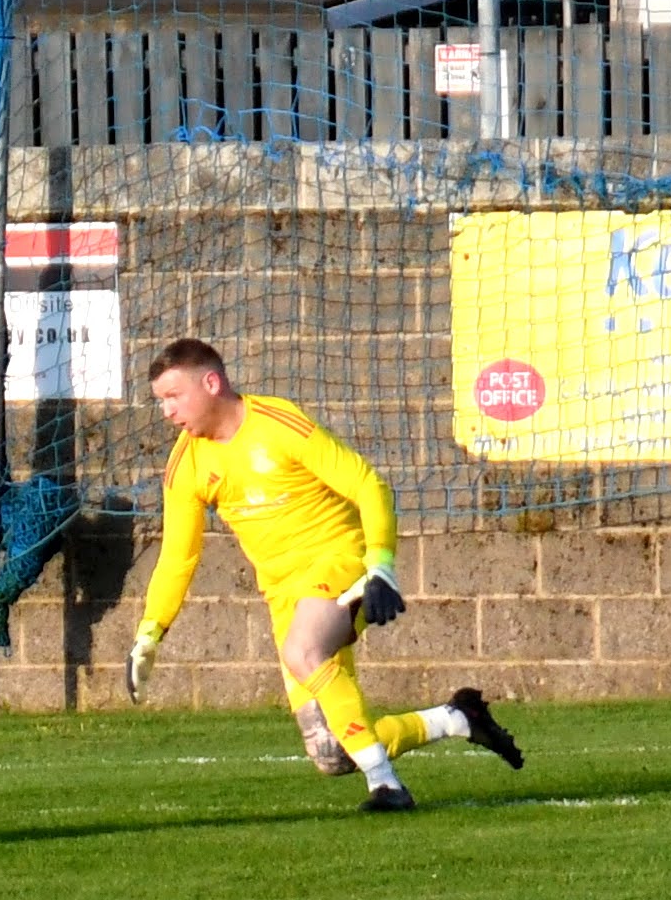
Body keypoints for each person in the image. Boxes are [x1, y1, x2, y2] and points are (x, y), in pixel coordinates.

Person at [124, 338, 521, 810]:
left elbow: (365, 482)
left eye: (174, 396)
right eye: (160, 401)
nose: (167, 411)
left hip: (339, 561)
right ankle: (456, 719)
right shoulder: (186, 463)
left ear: (211, 383)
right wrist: (150, 632)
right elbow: (177, 555)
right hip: (284, 596)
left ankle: (387, 786)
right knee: (331, 753)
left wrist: (380, 564)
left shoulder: (278, 423)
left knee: (304, 650)